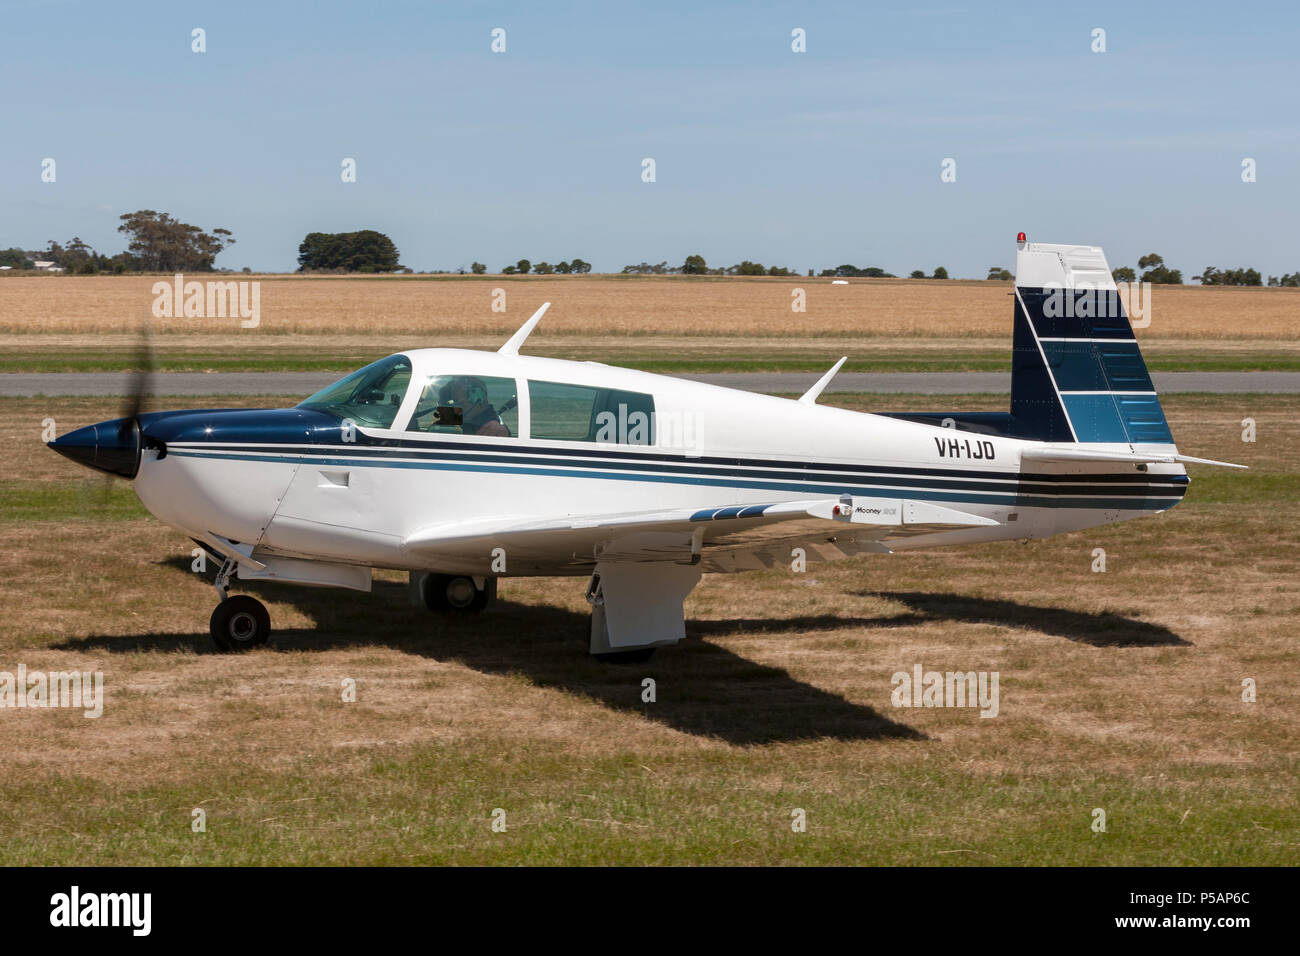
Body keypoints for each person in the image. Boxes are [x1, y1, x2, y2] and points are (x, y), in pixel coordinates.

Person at [436, 376, 510, 437]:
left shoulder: (494, 431)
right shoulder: (462, 424)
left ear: (477, 398)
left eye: (457, 403)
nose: (452, 410)